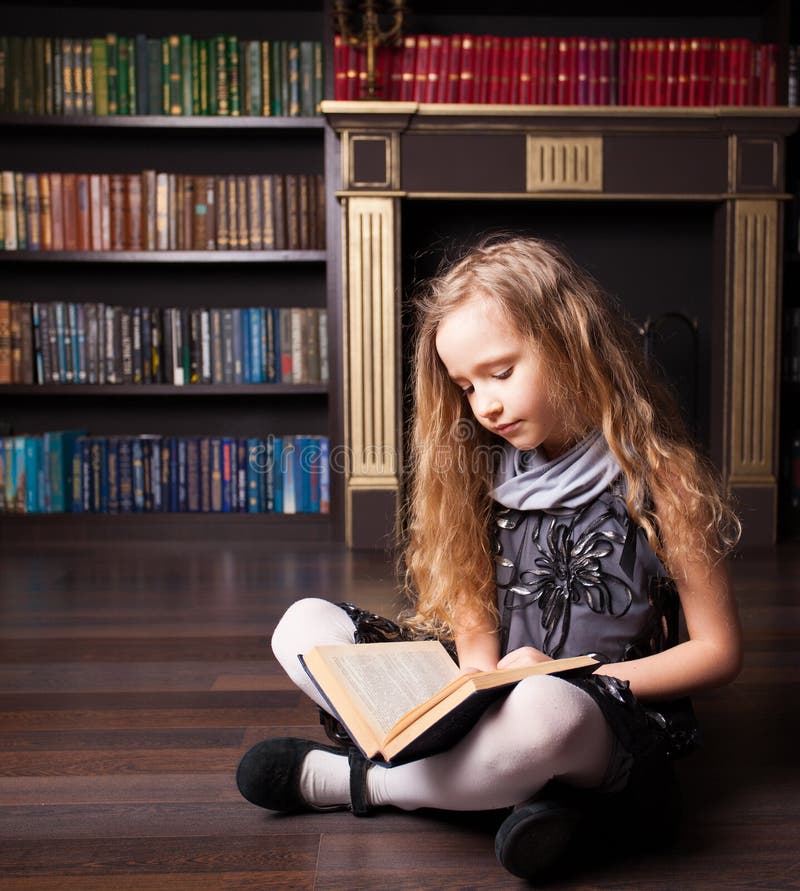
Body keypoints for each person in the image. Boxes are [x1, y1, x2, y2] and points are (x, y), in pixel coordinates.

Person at [236, 235, 743, 881]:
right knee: (304, 625)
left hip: (593, 708)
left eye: (502, 373)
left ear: (572, 342)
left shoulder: (663, 482)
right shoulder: (477, 476)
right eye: (467, 386)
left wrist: (560, 681)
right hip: (492, 694)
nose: (486, 405)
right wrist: (474, 687)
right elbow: (476, 635)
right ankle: (514, 790)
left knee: (543, 714)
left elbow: (719, 652)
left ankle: (359, 782)